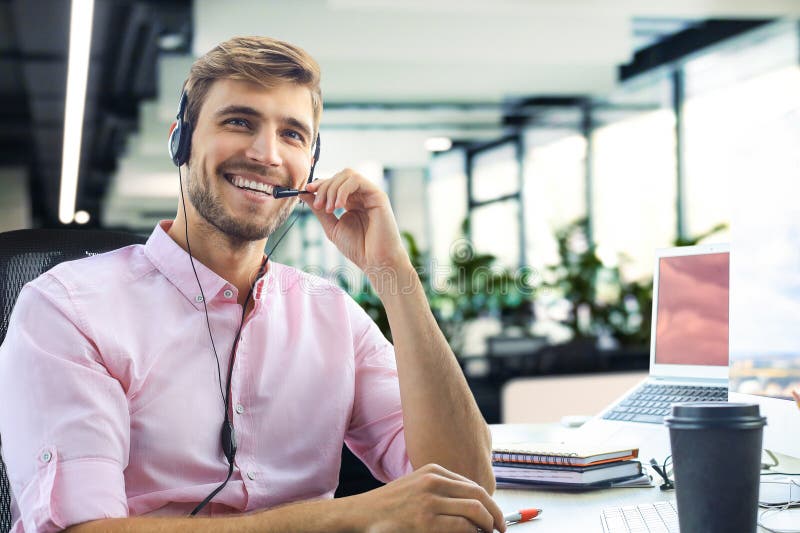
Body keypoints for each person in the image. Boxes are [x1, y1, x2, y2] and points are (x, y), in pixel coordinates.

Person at [0, 36, 504, 533]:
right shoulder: (67, 309)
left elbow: (464, 490)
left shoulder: (332, 315)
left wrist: (394, 273)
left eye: (292, 134)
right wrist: (351, 517)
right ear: (182, 139)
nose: (266, 153)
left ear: (309, 165)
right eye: (239, 121)